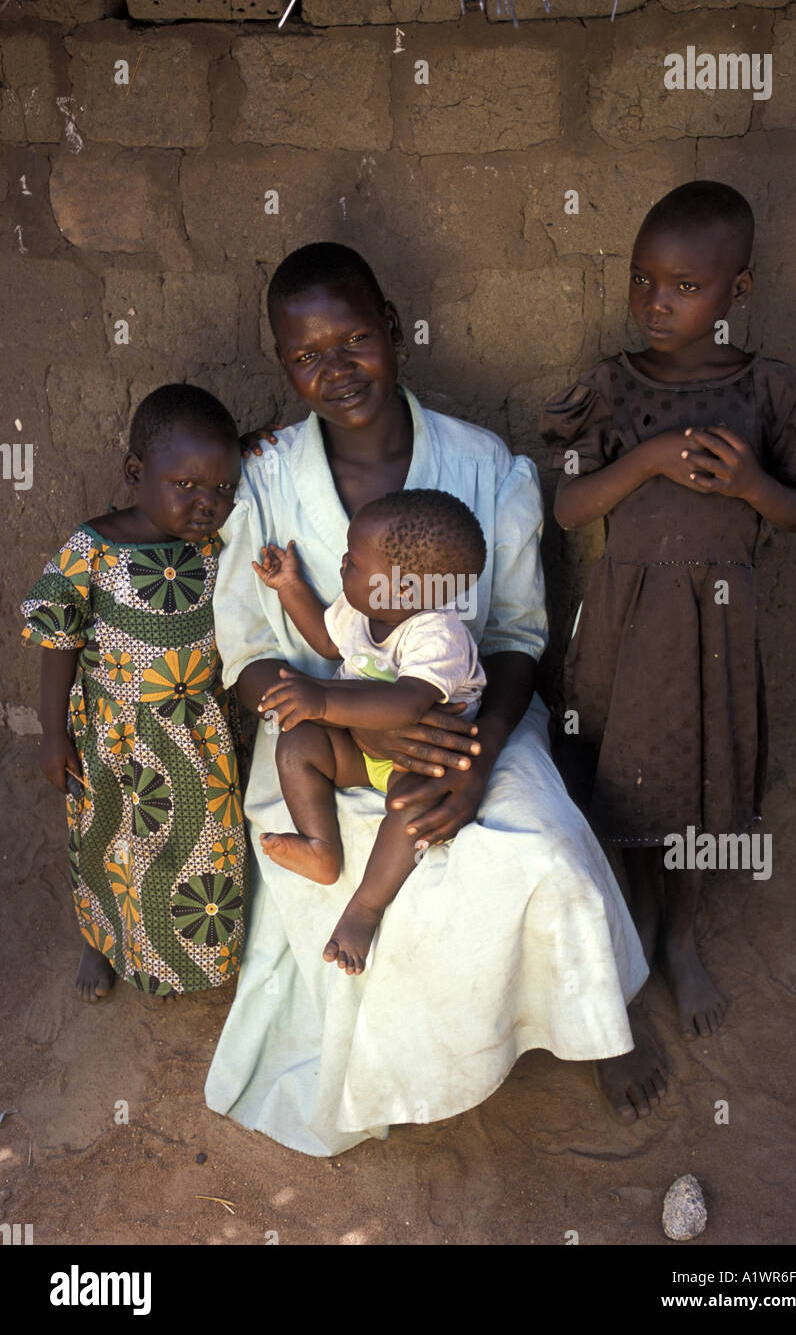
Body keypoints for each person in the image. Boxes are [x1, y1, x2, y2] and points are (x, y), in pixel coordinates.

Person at [204, 240, 657, 1158]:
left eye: (355, 339)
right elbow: (248, 652)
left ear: (397, 333)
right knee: (373, 917)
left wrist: (478, 753)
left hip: (466, 722)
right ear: (283, 367)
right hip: (319, 738)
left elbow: (520, 639)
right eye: (305, 354)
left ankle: (597, 1019)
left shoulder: (485, 465)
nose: (335, 369)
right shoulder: (266, 476)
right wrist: (317, 701)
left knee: (553, 854)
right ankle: (413, 1059)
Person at [541, 181, 796, 1042]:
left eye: (683, 286)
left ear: (737, 293)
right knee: (626, 781)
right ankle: (638, 921)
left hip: (716, 629)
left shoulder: (770, 391)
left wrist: (751, 482)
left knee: (700, 783)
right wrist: (648, 460)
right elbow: (569, 509)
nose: (655, 302)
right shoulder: (612, 388)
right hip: (625, 628)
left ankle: (680, 937)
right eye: (642, 281)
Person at [20, 385, 248, 1003]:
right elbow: (58, 640)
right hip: (109, 737)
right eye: (188, 487)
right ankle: (103, 942)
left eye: (224, 488)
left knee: (199, 849)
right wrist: (52, 733)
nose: (209, 503)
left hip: (195, 730)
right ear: (135, 472)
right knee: (108, 845)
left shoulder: (218, 545)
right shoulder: (93, 547)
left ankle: (189, 961)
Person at [252, 487, 487, 974]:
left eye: (354, 563)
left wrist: (322, 698)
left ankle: (364, 908)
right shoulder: (361, 610)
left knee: (412, 808)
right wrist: (289, 585)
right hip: (360, 750)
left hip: (419, 761)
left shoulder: (437, 633)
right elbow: (324, 639)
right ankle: (321, 848)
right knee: (297, 739)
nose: (342, 565)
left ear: (402, 590)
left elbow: (407, 703)